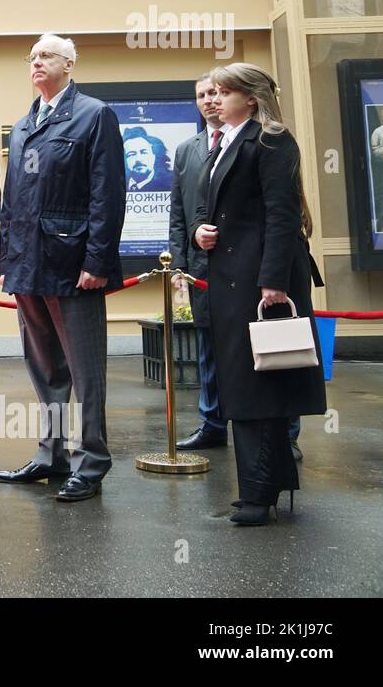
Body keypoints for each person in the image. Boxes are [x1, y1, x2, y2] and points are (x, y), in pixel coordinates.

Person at [0, 33, 125, 502]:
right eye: (31, 57)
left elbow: (108, 196)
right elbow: (14, 200)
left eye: (46, 55)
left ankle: (93, 461)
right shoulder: (27, 122)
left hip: (72, 265)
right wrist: (8, 260)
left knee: (85, 372)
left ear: (70, 63)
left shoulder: (95, 115)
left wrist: (97, 261)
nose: (36, 63)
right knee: (45, 369)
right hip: (28, 266)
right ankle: (52, 455)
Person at [191, 62, 325, 526]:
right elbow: (219, 211)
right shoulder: (226, 141)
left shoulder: (270, 139)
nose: (215, 99)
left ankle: (256, 494)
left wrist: (273, 281)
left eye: (224, 92)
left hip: (259, 280)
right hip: (231, 276)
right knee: (247, 385)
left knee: (258, 389)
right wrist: (199, 234)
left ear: (250, 98)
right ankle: (268, 484)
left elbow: (281, 214)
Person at [170, 75, 228, 451]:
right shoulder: (187, 150)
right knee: (208, 348)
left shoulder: (259, 140)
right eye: (203, 95)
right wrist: (178, 264)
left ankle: (283, 432)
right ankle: (213, 423)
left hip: (247, 267)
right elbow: (178, 213)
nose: (209, 100)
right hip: (201, 268)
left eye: (217, 93)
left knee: (262, 348)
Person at [122, 127, 172, 192]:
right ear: (125, 160)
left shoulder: (170, 182)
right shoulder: (116, 183)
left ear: (154, 156)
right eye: (131, 154)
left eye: (144, 152)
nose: (138, 159)